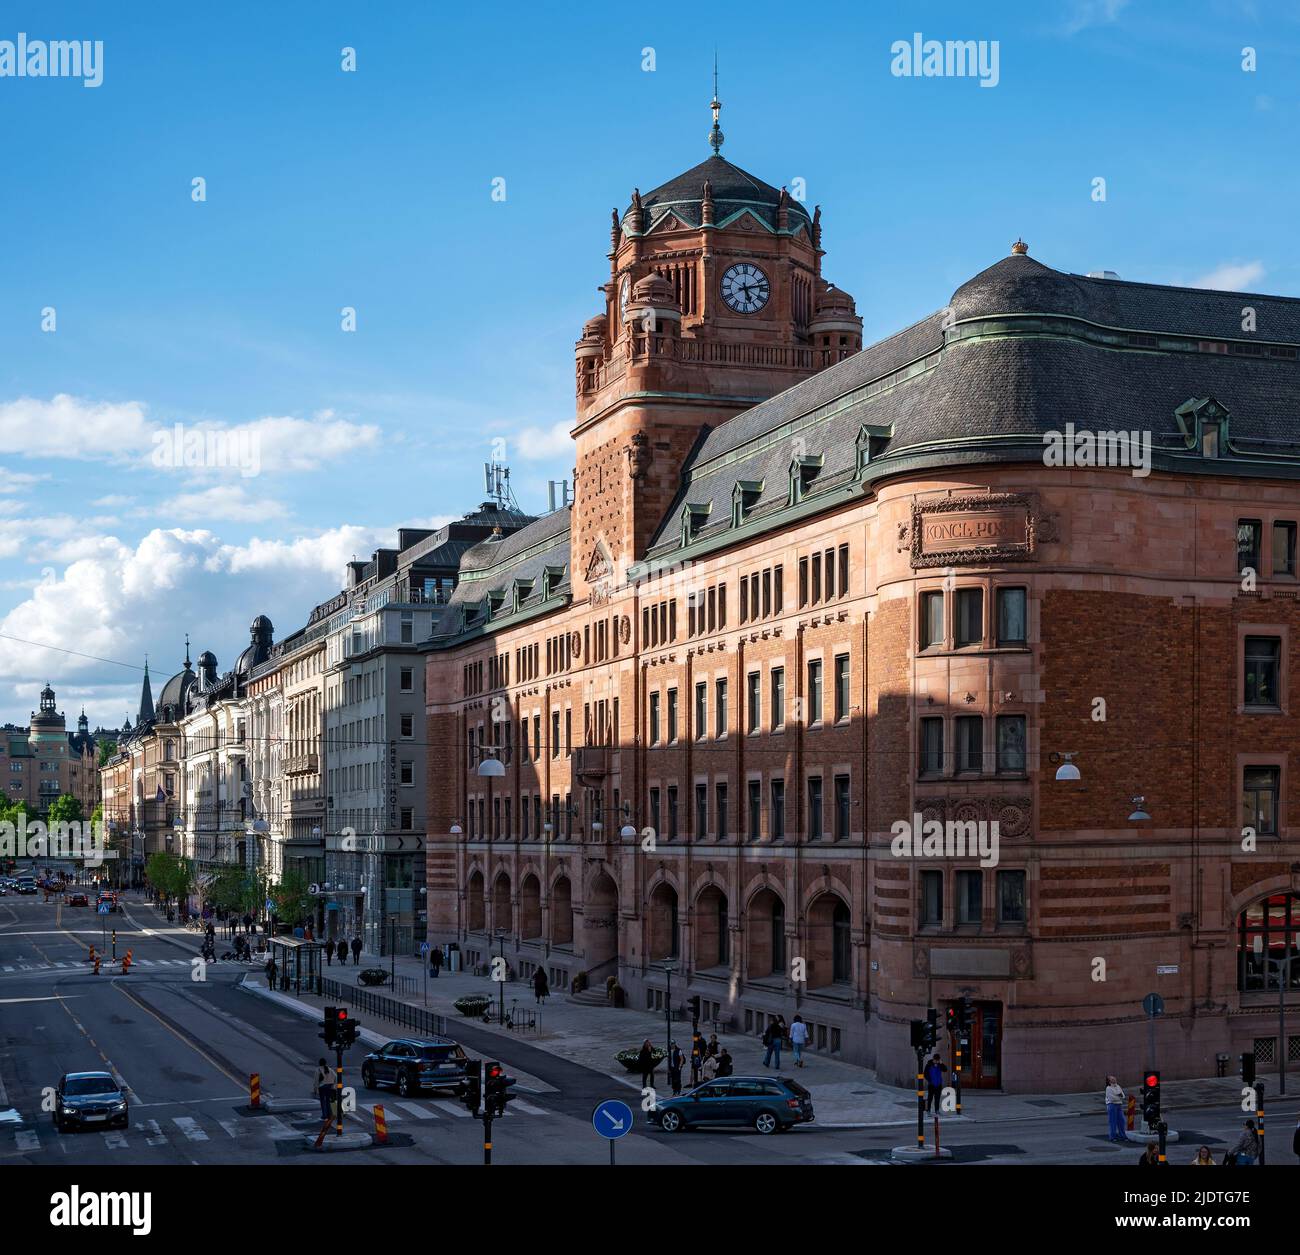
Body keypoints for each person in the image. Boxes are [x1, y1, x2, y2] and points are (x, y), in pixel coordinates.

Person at [1104, 1075, 1127, 1143]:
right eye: (1112, 1078)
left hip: (1119, 1105)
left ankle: (1122, 1136)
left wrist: (1118, 1096)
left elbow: (1123, 1096)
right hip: (1112, 1105)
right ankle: (1112, 1137)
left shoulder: (1118, 1086)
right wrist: (1119, 1096)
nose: (1114, 1079)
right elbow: (1112, 1098)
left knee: (1121, 1121)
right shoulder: (1108, 1088)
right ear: (1109, 1081)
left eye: (1114, 1077)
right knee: (1113, 1122)